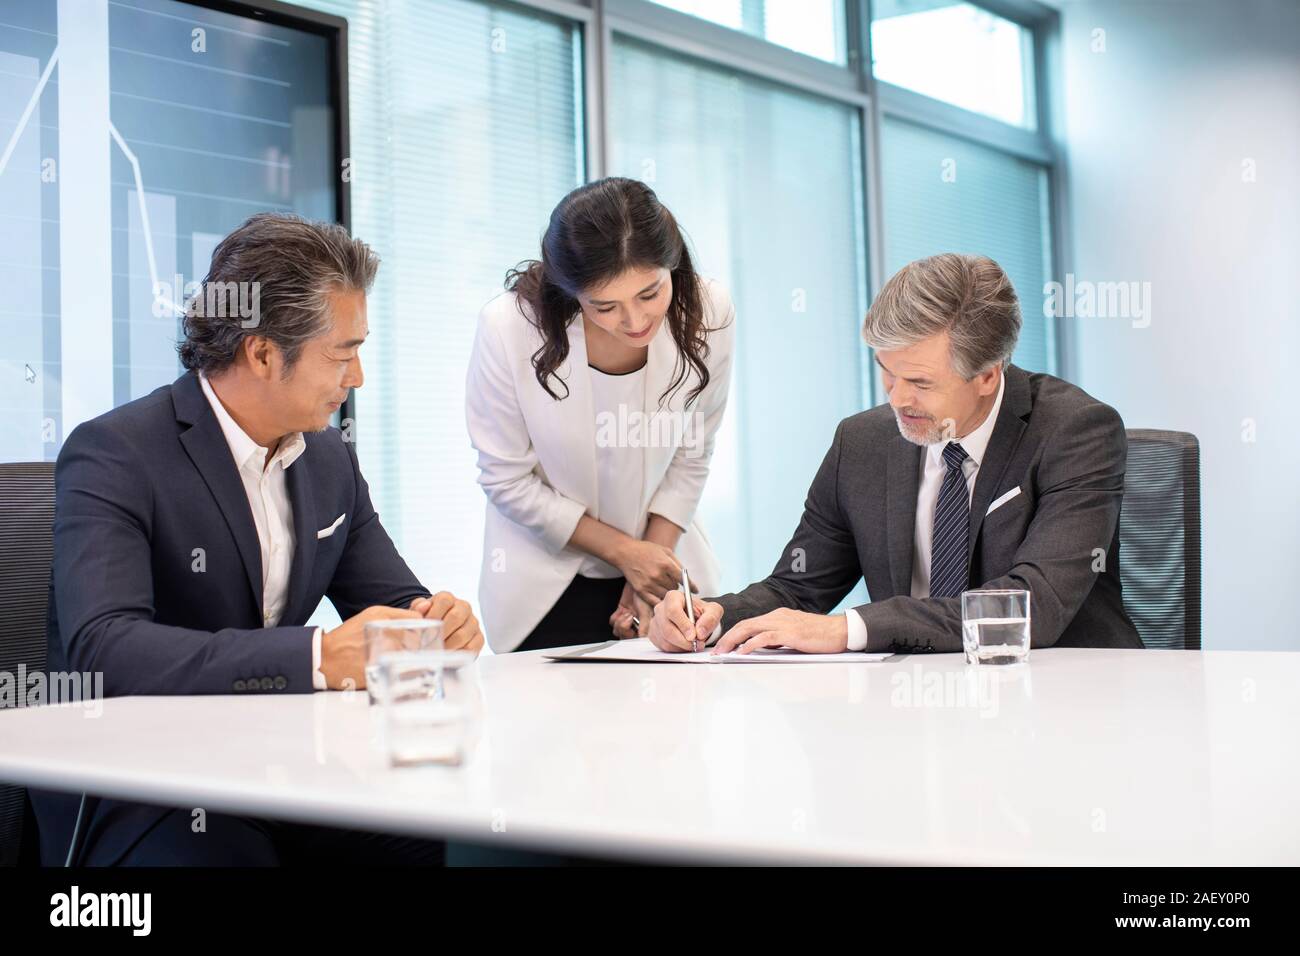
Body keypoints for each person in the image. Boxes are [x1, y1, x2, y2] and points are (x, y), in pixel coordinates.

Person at [32, 212, 481, 865]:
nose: (355, 378)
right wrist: (317, 658)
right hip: (149, 781)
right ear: (264, 352)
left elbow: (395, 607)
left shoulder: (329, 462)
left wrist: (436, 627)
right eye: (342, 352)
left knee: (423, 832)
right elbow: (106, 647)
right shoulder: (118, 452)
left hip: (285, 765)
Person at [648, 253, 1143, 655]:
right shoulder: (861, 443)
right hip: (909, 703)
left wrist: (850, 629)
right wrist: (710, 617)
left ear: (989, 375)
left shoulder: (1075, 432)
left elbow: (1034, 604)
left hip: (1066, 704)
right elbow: (796, 588)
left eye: (922, 382)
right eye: (888, 371)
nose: (897, 399)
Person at [466, 178, 734, 653]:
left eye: (650, 294)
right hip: (545, 586)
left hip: (665, 557)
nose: (634, 321)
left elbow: (693, 454)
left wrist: (651, 564)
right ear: (569, 292)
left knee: (677, 721)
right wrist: (627, 554)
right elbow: (507, 478)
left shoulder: (708, 310)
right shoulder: (508, 327)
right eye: (604, 306)